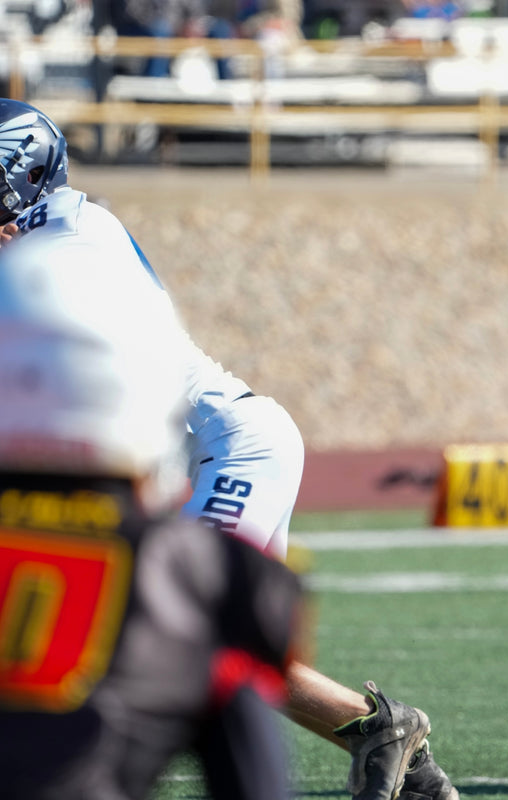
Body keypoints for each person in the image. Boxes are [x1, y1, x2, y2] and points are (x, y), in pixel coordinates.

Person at [0, 98, 458, 800]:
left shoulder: (70, 248)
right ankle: (379, 733)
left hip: (232, 446)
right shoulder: (56, 236)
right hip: (199, 454)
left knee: (166, 630)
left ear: (26, 183)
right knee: (217, 642)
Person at [0, 188, 306, 799]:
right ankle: (377, 727)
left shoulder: (73, 232)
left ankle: (377, 728)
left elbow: (51, 296)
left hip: (235, 445)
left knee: (189, 625)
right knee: (199, 630)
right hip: (177, 451)